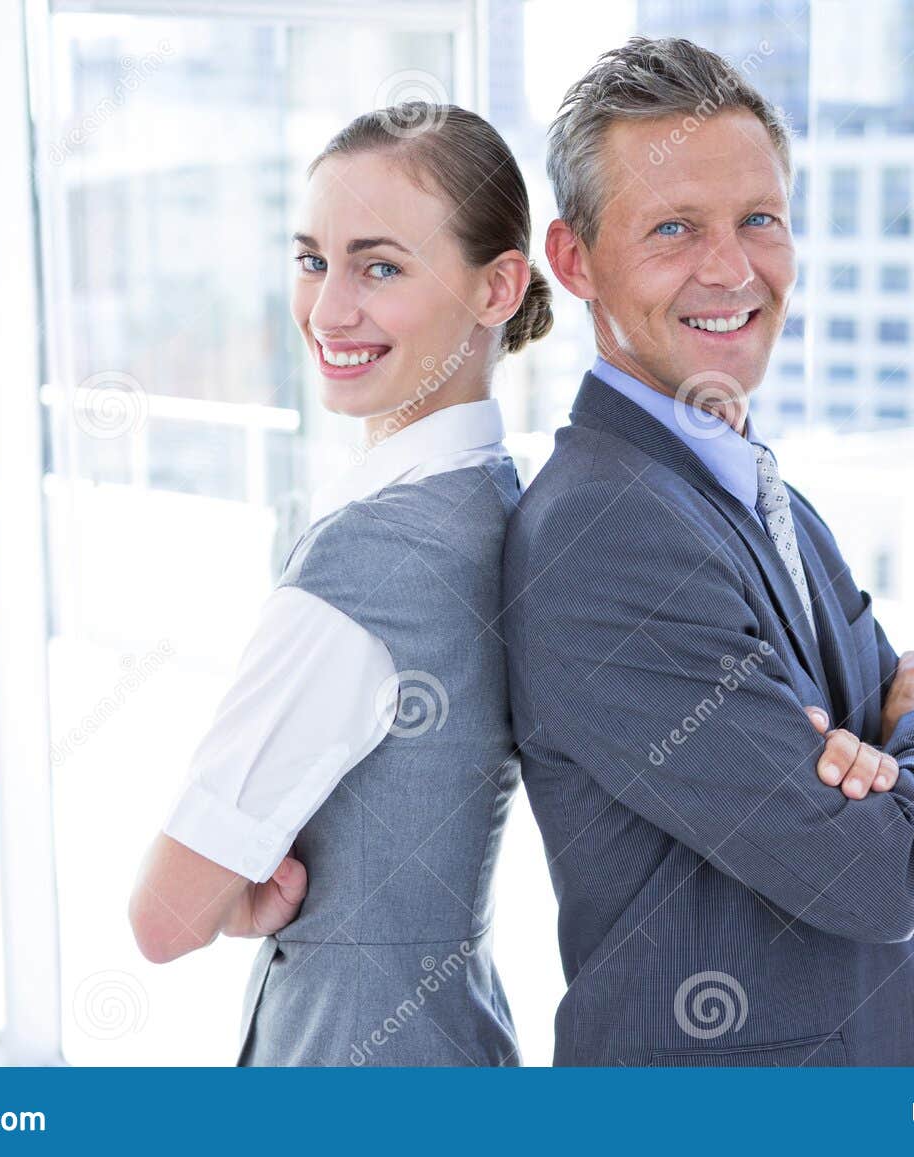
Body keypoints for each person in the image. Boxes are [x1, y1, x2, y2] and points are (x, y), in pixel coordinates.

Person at [502, 37, 914, 1067]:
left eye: (758, 220)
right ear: (574, 260)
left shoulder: (759, 483)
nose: (730, 269)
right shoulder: (605, 536)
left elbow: (879, 766)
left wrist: (887, 760)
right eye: (673, 228)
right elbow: (878, 866)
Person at [129, 102, 552, 1067]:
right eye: (313, 259)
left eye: (381, 266)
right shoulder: (500, 499)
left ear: (498, 289)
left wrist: (236, 904)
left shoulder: (363, 569)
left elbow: (162, 917)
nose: (327, 310)